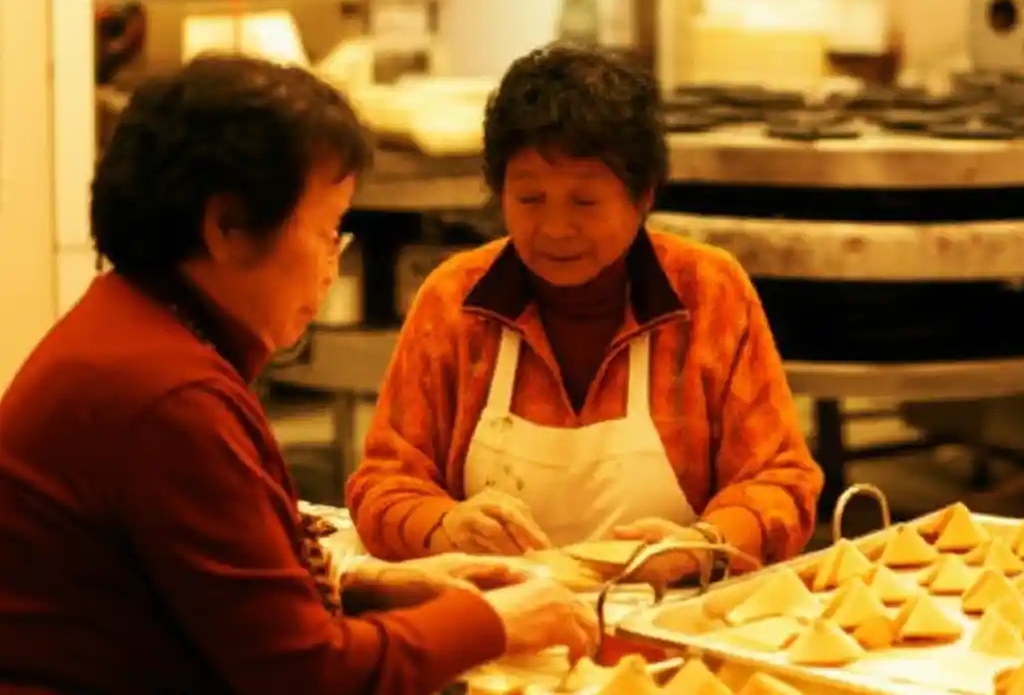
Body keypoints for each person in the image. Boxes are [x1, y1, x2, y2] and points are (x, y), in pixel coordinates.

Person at [0, 54, 597, 694]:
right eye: (327, 231)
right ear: (227, 227)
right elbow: (305, 676)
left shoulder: (137, 328)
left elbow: (224, 602)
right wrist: (490, 621)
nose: (331, 266)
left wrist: (383, 588)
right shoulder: (166, 393)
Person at [347, 44, 824, 583]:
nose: (555, 229)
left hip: (674, 620)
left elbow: (780, 481)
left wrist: (705, 544)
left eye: (584, 202)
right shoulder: (455, 302)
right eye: (530, 200)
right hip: (497, 623)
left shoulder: (708, 294)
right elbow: (384, 480)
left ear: (642, 196)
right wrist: (442, 524)